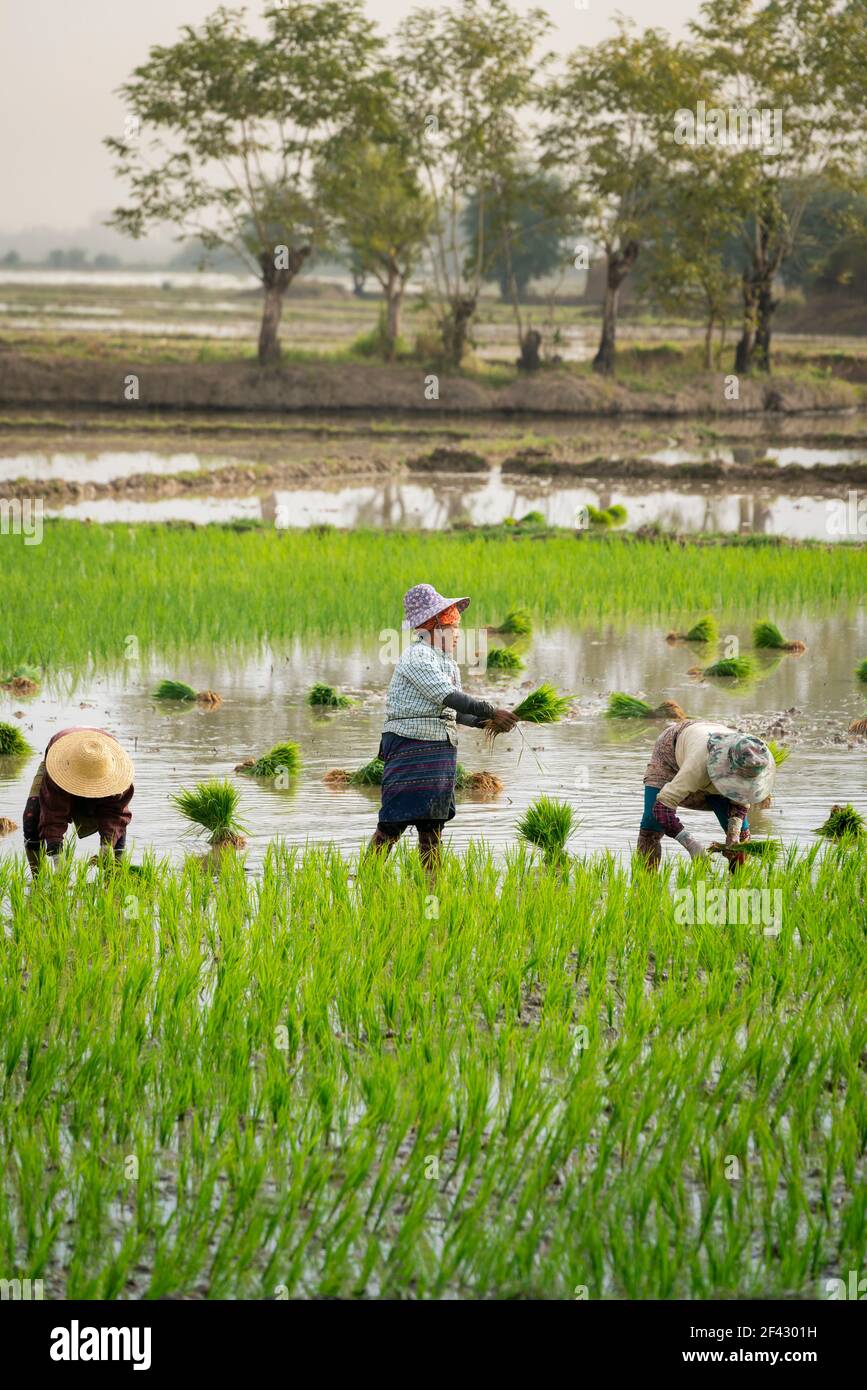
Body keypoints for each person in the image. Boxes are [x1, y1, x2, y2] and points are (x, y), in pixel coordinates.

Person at [368, 583, 517, 872]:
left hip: (439, 751)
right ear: (433, 626)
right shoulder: (417, 656)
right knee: (392, 823)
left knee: (433, 825)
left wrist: (487, 724)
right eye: (454, 626)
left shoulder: (447, 662)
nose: (459, 633)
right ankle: (368, 875)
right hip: (411, 747)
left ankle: (431, 883)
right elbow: (445, 696)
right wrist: (491, 710)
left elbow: (454, 711)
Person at [637, 720, 775, 870]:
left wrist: (733, 835)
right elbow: (662, 809)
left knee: (741, 839)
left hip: (707, 744)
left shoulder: (753, 757)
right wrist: (692, 846)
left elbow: (740, 803)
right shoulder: (698, 766)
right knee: (651, 828)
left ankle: (736, 884)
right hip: (671, 752)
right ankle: (645, 883)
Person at [22, 727, 134, 874]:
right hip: (63, 762)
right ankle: (38, 879)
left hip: (103, 764)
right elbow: (53, 813)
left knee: (117, 825)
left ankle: (115, 874)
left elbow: (115, 813)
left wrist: (106, 844)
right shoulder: (58, 772)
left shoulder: (118, 775)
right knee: (32, 817)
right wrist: (58, 859)